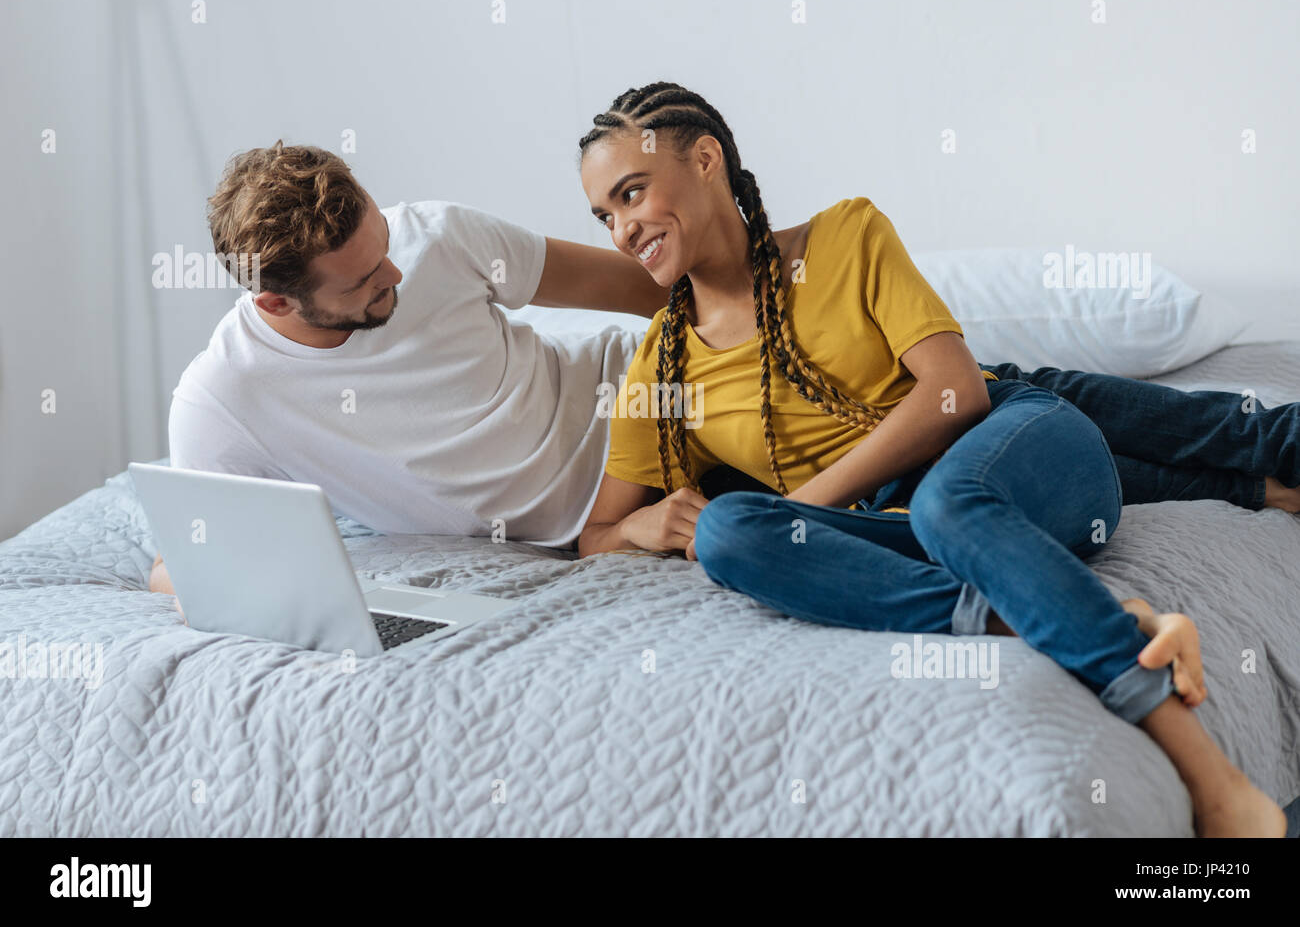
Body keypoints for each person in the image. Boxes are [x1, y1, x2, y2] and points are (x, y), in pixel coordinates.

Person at [574, 81, 1285, 836]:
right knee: (725, 535)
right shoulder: (662, 361)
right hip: (903, 525)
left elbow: (955, 391)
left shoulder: (844, 235)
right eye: (604, 215)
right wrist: (643, 528)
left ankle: (1217, 780)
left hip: (1017, 437)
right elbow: (596, 536)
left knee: (962, 498)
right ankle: (1052, 610)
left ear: (706, 159)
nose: (621, 228)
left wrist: (808, 506)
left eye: (631, 193)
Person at [150, 140, 1300, 597]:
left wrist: (797, 307)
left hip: (662, 400)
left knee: (968, 390)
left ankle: (1265, 448)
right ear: (272, 299)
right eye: (361, 287)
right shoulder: (225, 401)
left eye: (382, 251)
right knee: (936, 456)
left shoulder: (436, 239)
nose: (390, 277)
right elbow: (187, 568)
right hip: (644, 505)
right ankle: (1259, 480)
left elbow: (652, 289)